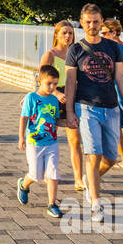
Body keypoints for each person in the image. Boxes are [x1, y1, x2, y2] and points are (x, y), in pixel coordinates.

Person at [64, 3, 123, 223]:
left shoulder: (112, 47)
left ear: (101, 21)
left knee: (111, 158)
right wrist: (69, 112)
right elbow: (70, 82)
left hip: (112, 108)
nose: (92, 26)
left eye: (96, 21)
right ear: (81, 23)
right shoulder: (75, 50)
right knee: (93, 155)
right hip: (87, 108)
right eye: (88, 22)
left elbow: (121, 76)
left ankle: (89, 179)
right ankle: (96, 203)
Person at [40, 20, 85, 192]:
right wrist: (56, 93)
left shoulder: (77, 52)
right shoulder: (50, 54)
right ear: (56, 35)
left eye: (70, 33)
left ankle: (78, 179)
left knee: (75, 139)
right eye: (64, 32)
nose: (67, 36)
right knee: (50, 138)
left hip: (71, 97)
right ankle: (46, 172)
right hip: (52, 99)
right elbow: (42, 80)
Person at [17, 64, 64, 218]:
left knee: (53, 172)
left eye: (55, 84)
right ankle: (23, 185)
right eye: (49, 83)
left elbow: (55, 120)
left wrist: (69, 124)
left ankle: (52, 204)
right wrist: (21, 137)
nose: (52, 87)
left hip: (51, 142)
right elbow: (24, 118)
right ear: (39, 80)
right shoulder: (31, 98)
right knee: (36, 175)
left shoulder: (54, 100)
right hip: (34, 143)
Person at [103, 18, 123, 170]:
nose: (102, 36)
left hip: (114, 89)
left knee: (115, 127)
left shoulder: (111, 48)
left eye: (104, 33)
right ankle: (120, 157)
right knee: (116, 126)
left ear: (113, 33)